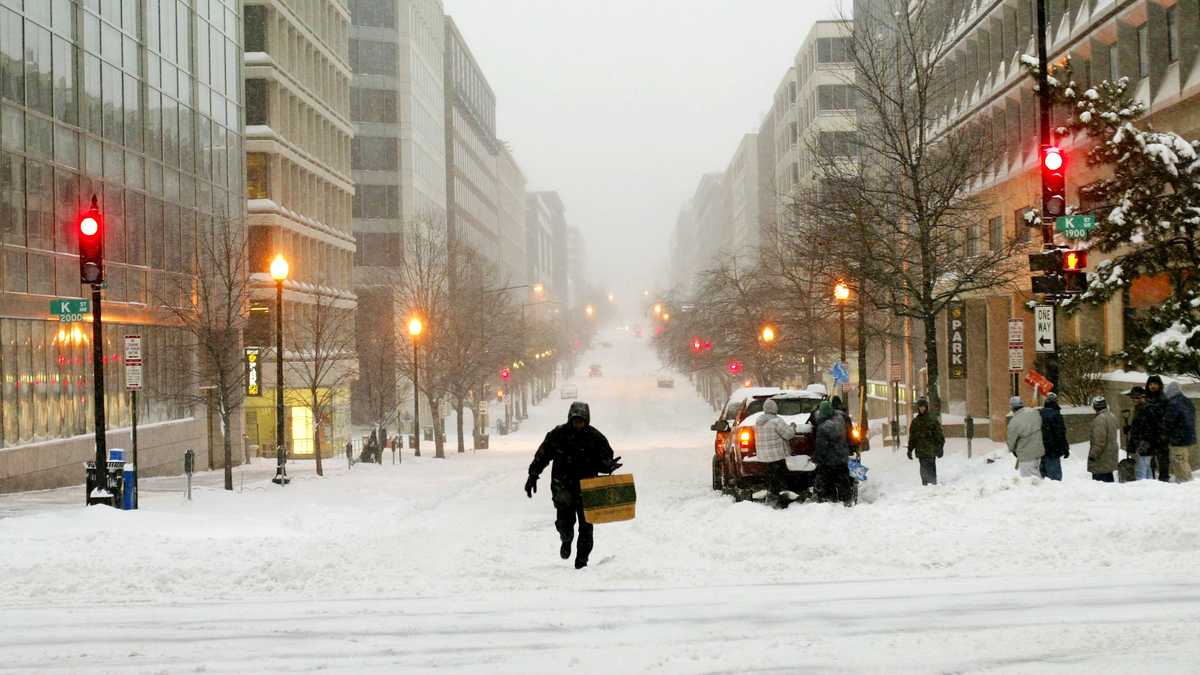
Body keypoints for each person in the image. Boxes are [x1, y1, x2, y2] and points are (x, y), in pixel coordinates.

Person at [525, 402, 621, 569]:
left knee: (586, 527)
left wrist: (608, 466)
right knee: (564, 522)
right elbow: (543, 455)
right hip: (563, 487)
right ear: (570, 419)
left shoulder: (596, 437)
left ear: (587, 420)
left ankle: (581, 561)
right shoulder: (558, 435)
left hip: (588, 489)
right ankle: (566, 539)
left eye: (581, 421)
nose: (578, 424)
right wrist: (533, 474)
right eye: (575, 420)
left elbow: (605, 459)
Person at [754, 399, 796, 506]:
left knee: (770, 477)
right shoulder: (777, 421)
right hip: (776, 455)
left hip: (764, 456)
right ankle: (777, 499)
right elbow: (788, 434)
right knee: (779, 477)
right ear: (774, 409)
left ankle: (771, 495)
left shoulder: (758, 421)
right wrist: (793, 427)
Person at [813, 400, 852, 505]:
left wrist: (817, 458)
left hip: (828, 461)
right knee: (843, 480)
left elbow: (821, 447)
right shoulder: (840, 420)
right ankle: (847, 499)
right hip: (841, 457)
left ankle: (831, 500)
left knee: (828, 481)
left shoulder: (823, 428)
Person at [906, 398, 944, 486]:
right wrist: (910, 449)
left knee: (931, 469)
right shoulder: (915, 422)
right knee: (923, 471)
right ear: (918, 408)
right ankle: (925, 487)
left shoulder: (932, 420)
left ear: (926, 407)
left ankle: (933, 485)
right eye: (920, 407)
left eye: (923, 406)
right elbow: (913, 438)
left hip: (931, 450)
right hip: (921, 451)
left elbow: (939, 436)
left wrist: (940, 448)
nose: (922, 408)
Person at [1164, 381, 1196, 483]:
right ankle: (1185, 480)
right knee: (1183, 460)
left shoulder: (1173, 403)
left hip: (1178, 438)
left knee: (1179, 461)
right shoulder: (1187, 401)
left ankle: (1185, 482)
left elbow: (1169, 421)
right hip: (1187, 437)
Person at [1007, 396, 1045, 478]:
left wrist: (1012, 449)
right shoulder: (1034, 413)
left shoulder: (1014, 422)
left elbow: (1011, 442)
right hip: (1039, 452)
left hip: (1026, 456)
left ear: (1012, 407)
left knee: (1031, 482)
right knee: (1036, 477)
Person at [1127, 386, 1158, 480]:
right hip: (1144, 445)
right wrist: (1130, 428)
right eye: (1133, 397)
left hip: (1145, 446)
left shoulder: (1145, 409)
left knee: (1141, 472)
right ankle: (1150, 491)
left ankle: (1142, 492)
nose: (1134, 399)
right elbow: (1140, 427)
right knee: (1147, 470)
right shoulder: (1140, 409)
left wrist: (1145, 443)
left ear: (1143, 397)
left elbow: (1151, 428)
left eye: (1137, 397)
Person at [1144, 376, 1171, 481]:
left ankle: (1164, 478)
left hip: (1161, 434)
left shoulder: (1163, 399)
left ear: (1159, 385)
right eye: (1151, 384)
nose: (1152, 386)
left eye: (1155, 384)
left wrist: (1163, 432)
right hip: (1148, 434)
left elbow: (1167, 418)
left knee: (1163, 458)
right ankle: (1151, 479)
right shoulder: (1146, 398)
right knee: (1149, 459)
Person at [1087, 396, 1119, 482]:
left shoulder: (1099, 420)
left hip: (1102, 458)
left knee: (1100, 485)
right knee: (1108, 481)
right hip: (1110, 455)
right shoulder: (1111, 416)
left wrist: (1093, 455)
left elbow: (1099, 441)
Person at [1039, 393, 1070, 481]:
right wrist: (1065, 448)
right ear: (1056, 402)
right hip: (1053, 451)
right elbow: (1060, 434)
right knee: (1055, 480)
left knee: (1042, 478)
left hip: (1041, 450)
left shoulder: (1039, 414)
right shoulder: (1056, 415)